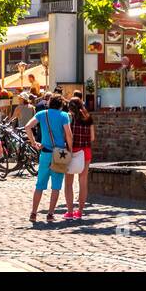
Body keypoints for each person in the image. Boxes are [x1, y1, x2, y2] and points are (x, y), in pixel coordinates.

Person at [25, 95, 73, 223]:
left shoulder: (41, 114)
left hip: (45, 154)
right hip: (59, 154)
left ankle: (34, 213)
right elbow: (68, 134)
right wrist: (71, 150)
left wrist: (34, 142)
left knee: (40, 185)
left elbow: (27, 127)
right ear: (61, 105)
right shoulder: (64, 116)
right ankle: (50, 214)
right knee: (56, 186)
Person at [63, 92, 94, 220]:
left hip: (72, 151)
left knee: (68, 183)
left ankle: (70, 211)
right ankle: (80, 211)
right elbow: (92, 137)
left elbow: (67, 136)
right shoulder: (88, 117)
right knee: (83, 182)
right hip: (86, 151)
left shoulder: (69, 118)